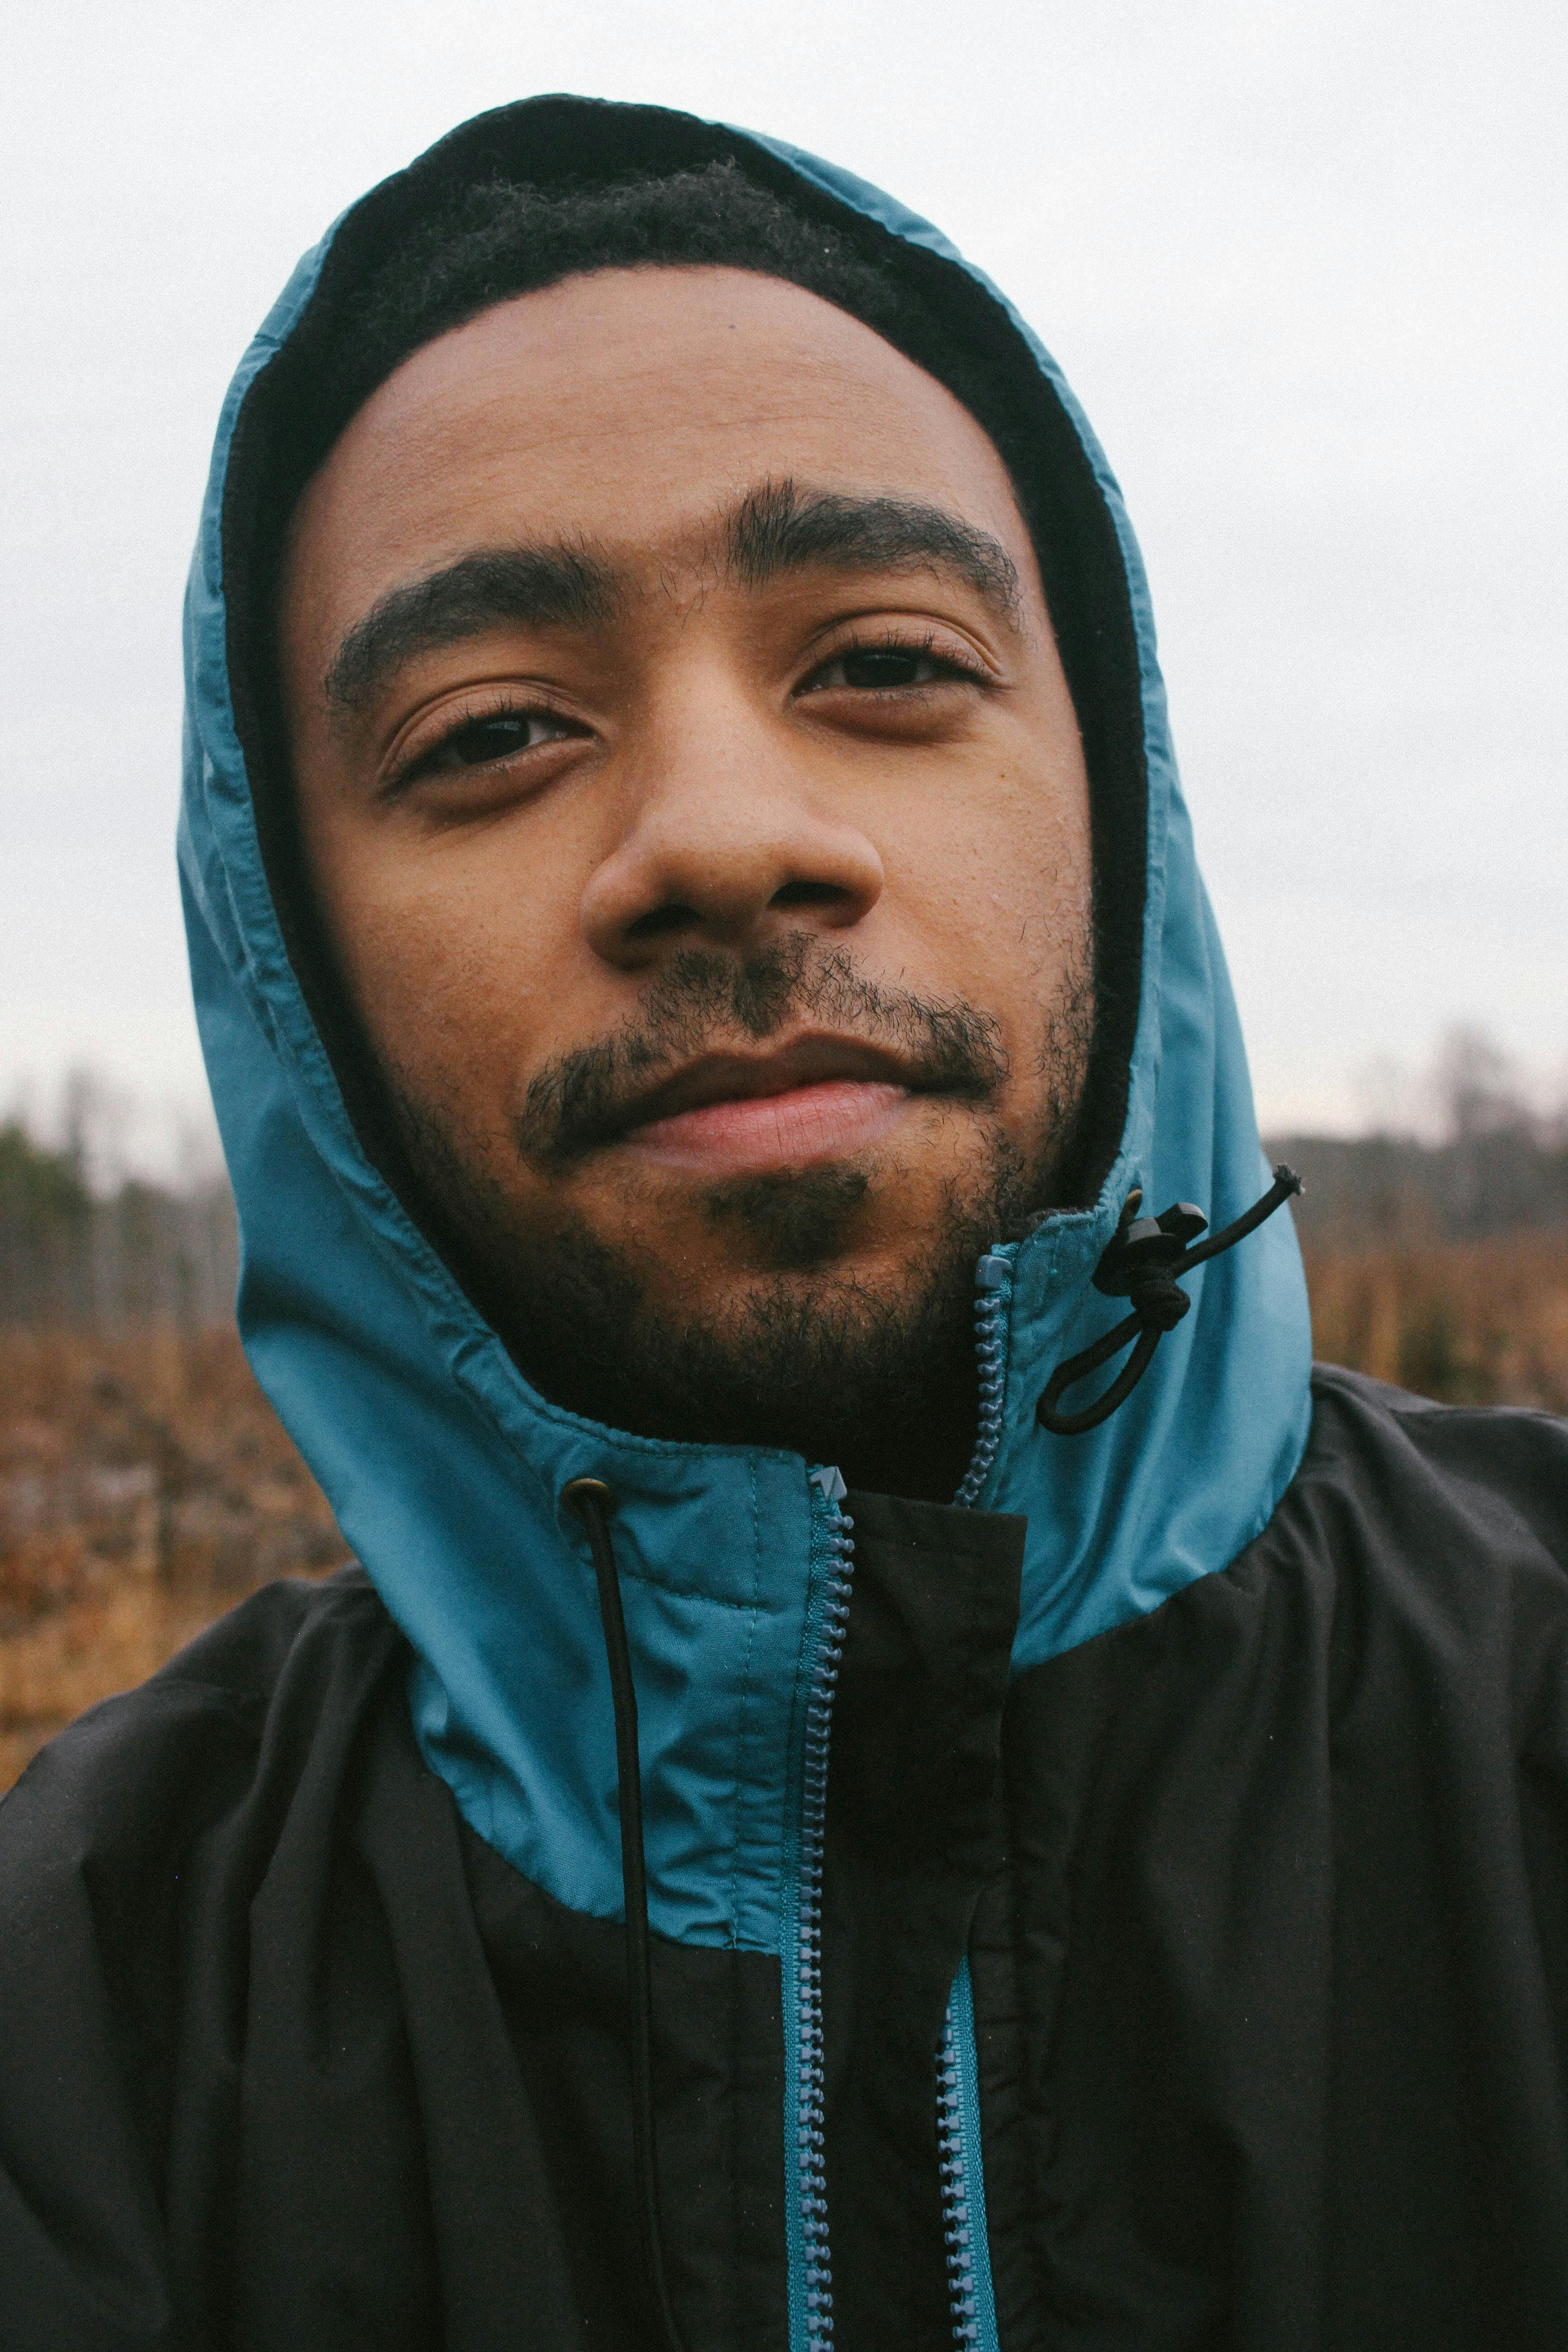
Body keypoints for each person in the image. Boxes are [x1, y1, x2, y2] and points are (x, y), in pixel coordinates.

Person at [2, 93, 1566, 2352]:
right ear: (299, 967)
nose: (723, 837)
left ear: (1116, 799)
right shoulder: (96, 2003)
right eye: (494, 728)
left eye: (888, 666)